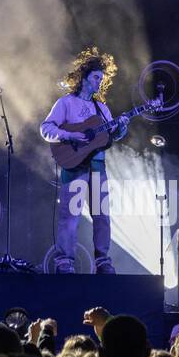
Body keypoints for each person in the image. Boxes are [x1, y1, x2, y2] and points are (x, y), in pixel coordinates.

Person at [40, 47, 129, 274]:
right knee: (70, 217)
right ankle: (65, 261)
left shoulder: (102, 108)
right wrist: (70, 135)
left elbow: (109, 137)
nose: (99, 81)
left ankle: (102, 261)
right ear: (85, 77)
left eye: (102, 78)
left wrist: (121, 129)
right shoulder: (66, 103)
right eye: (96, 77)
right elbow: (46, 128)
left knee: (102, 215)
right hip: (74, 165)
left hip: (98, 165)